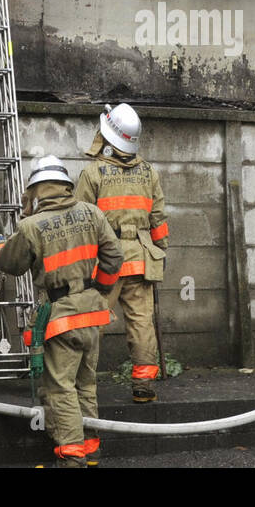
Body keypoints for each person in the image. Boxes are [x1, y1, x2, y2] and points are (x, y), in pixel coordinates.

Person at [0, 156, 123, 466]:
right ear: (66, 185)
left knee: (61, 388)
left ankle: (73, 456)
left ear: (36, 191)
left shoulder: (30, 225)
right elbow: (114, 256)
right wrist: (100, 289)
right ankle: (91, 449)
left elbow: (10, 263)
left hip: (61, 318)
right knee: (85, 384)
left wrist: (0, 246)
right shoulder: (91, 213)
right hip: (92, 311)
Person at [74, 103, 169, 402]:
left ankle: (80, 383)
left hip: (107, 262)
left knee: (93, 321)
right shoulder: (148, 172)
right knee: (142, 323)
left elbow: (82, 221)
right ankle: (143, 385)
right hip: (141, 259)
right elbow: (159, 221)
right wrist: (159, 252)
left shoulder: (92, 173)